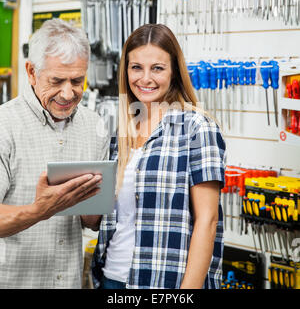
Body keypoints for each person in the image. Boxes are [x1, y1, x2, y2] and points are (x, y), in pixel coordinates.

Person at [91, 24, 226, 289]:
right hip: (112, 278)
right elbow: (112, 217)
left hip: (165, 283)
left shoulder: (197, 127)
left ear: (174, 71)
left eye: (157, 68)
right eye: (136, 67)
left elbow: (207, 221)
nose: (145, 78)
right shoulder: (124, 131)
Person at [0, 18, 109, 288]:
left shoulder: (95, 126)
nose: (68, 93)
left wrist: (98, 208)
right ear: (31, 72)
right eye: (57, 80)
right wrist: (40, 210)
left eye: (77, 80)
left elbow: (92, 221)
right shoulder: (4, 126)